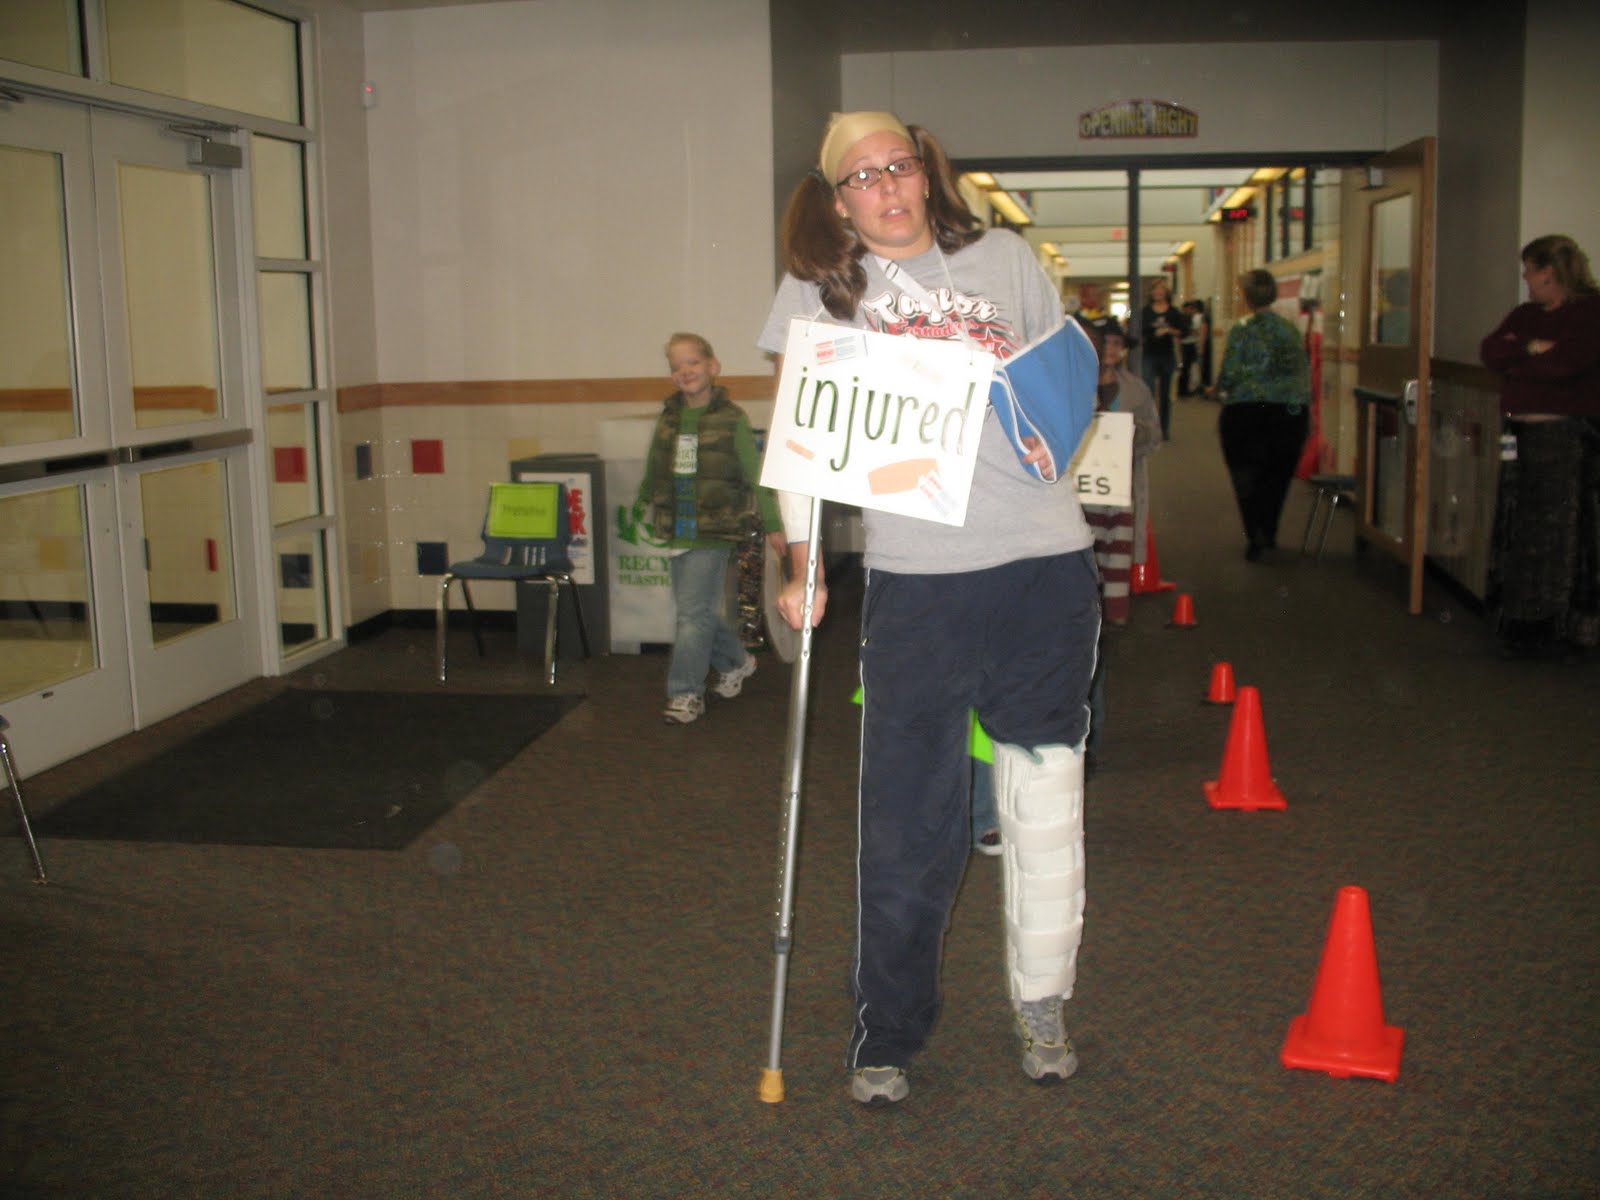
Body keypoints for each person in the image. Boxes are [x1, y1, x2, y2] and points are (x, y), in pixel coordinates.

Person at [758, 111, 1099, 1105]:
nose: (886, 186)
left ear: (925, 171)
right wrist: (802, 556)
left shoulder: (1002, 255)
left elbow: (1061, 388)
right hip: (918, 580)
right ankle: (887, 1030)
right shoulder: (821, 291)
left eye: (897, 165)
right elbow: (799, 429)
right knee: (909, 812)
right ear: (836, 200)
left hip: (1044, 563)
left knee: (1042, 794)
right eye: (860, 177)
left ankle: (1042, 999)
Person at [637, 333, 784, 724]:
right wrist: (640, 503)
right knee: (695, 611)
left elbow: (756, 475)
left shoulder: (732, 418)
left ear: (713, 367)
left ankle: (686, 694)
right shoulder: (668, 416)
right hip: (676, 527)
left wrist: (773, 524)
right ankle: (737, 661)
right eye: (676, 366)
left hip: (715, 530)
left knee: (690, 615)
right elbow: (655, 463)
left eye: (693, 363)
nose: (685, 371)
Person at [1478, 234, 1600, 658]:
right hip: (1519, 435)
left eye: (1530, 271)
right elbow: (1492, 352)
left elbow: (1566, 365)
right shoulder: (1527, 315)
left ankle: (1552, 622)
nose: (1526, 279)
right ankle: (1517, 614)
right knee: (1517, 525)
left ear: (1549, 274)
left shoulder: (1587, 313)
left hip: (1562, 440)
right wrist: (1530, 349)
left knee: (1555, 532)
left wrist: (1523, 359)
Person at [1209, 269, 1310, 561]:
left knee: (1246, 475)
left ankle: (1255, 534)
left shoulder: (1242, 330)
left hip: (1246, 412)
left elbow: (1230, 373)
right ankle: (1270, 528)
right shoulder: (1290, 330)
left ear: (1246, 296)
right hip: (1288, 413)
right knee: (1277, 475)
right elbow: (1301, 372)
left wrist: (1217, 389)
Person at [1139, 277, 1187, 439]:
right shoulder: (1145, 312)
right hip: (1149, 355)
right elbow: (1140, 331)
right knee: (1149, 392)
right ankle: (1150, 427)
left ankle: (1164, 428)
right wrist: (1153, 333)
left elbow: (1184, 331)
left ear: (1166, 292)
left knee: (1166, 394)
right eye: (1155, 289)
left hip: (1167, 355)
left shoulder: (1174, 312)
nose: (1158, 292)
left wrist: (1170, 331)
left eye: (1161, 289)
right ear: (1151, 293)